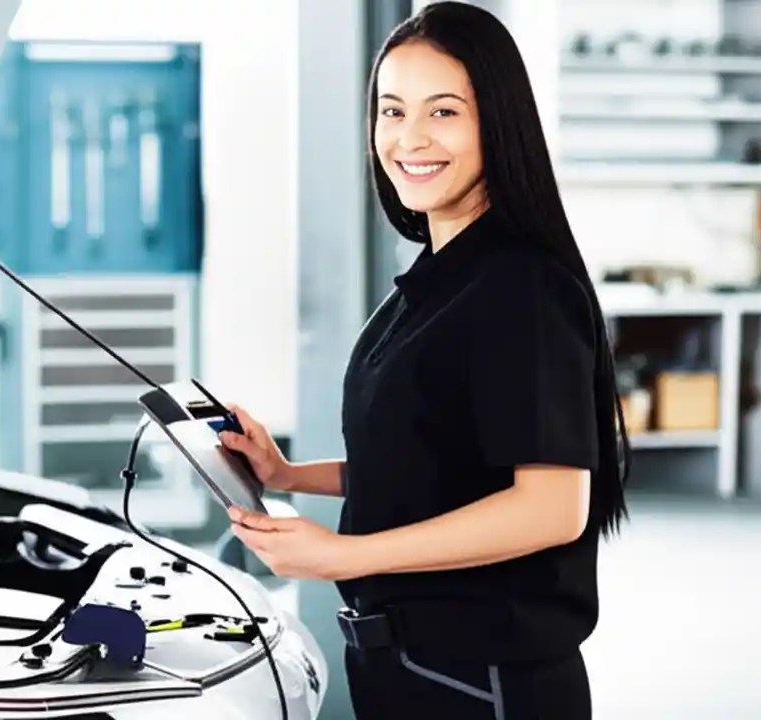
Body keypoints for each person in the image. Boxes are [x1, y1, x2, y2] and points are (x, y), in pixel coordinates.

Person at [219, 3, 630, 719]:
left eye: (443, 112)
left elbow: (552, 509)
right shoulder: (439, 277)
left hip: (483, 679)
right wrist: (287, 474)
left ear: (497, 123)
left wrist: (343, 556)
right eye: (391, 111)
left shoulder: (519, 286)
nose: (409, 138)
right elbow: (440, 462)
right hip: (408, 666)